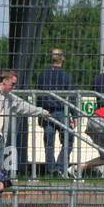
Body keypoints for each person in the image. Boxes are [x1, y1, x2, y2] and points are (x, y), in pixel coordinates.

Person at [0, 69, 49, 171]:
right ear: (5, 80)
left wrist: (42, 112)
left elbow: (23, 106)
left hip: (0, 138)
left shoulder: (8, 97)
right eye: (12, 84)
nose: (14, 87)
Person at [35, 48, 74, 177]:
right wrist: (74, 115)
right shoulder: (66, 76)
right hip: (62, 111)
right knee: (68, 141)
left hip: (47, 112)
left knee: (49, 144)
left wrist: (39, 112)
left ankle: (50, 170)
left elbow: (38, 96)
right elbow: (72, 96)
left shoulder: (42, 75)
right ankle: (60, 167)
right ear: (62, 59)